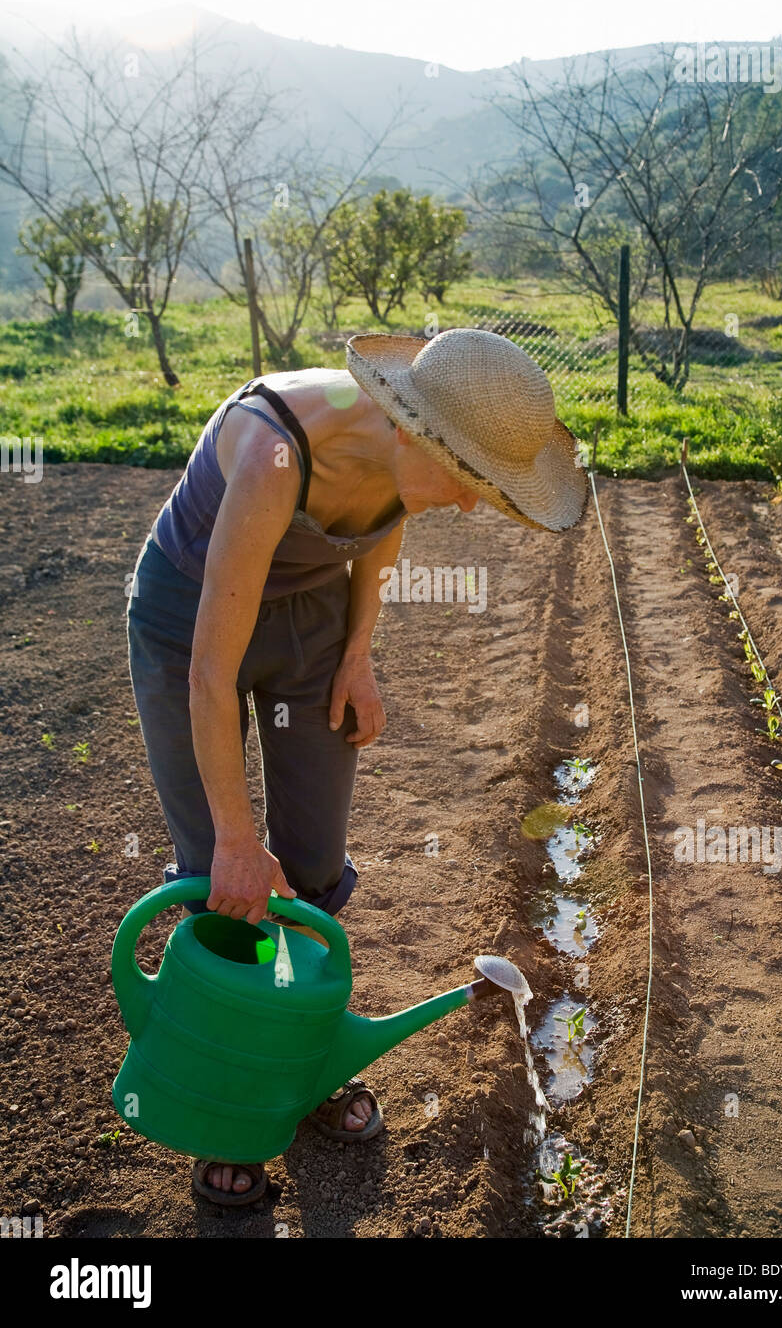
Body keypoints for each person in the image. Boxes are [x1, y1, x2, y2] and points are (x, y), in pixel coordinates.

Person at [126, 327, 588, 1206]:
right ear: (414, 430)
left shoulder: (399, 447)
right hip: (191, 628)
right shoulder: (274, 455)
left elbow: (383, 524)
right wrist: (232, 834)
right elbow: (208, 674)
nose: (471, 505)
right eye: (469, 480)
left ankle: (303, 1056)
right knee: (224, 881)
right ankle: (230, 1106)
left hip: (309, 619)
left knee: (309, 865)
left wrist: (359, 652)